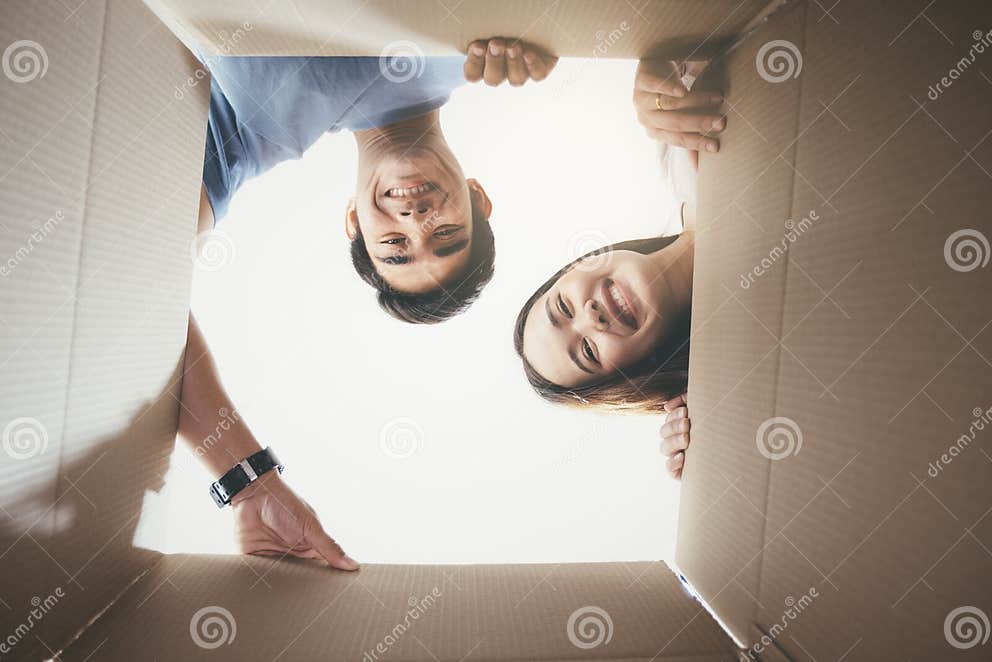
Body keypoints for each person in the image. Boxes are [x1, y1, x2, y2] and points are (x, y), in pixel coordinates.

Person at [180, 39, 557, 571]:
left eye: (395, 247)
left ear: (353, 220)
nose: (417, 220)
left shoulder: (253, 131)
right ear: (478, 197)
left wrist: (250, 484)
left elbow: (139, 283)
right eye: (447, 234)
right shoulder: (479, 46)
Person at [513, 57, 724, 481]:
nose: (589, 317)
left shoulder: (674, 152)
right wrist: (714, 436)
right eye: (588, 352)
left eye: (563, 307)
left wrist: (669, 68)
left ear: (576, 267)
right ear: (634, 375)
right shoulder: (753, 336)